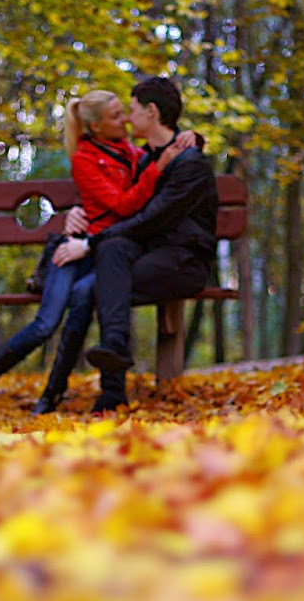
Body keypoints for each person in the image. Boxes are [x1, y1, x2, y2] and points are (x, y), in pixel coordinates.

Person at [0, 90, 192, 410]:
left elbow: (161, 156)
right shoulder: (85, 159)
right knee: (45, 325)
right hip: (73, 252)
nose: (126, 120)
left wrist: (190, 136)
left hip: (98, 252)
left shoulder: (131, 152)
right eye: (116, 116)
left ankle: (51, 394)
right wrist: (158, 167)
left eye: (123, 111)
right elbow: (123, 204)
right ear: (95, 127)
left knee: (81, 301)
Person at [51, 75, 218, 412]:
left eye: (132, 109)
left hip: (183, 262)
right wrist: (78, 211)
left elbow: (152, 218)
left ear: (152, 112)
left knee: (108, 278)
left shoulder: (189, 163)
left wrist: (88, 244)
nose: (127, 117)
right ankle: (114, 355)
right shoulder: (144, 158)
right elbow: (114, 196)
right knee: (112, 254)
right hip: (150, 254)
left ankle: (111, 383)